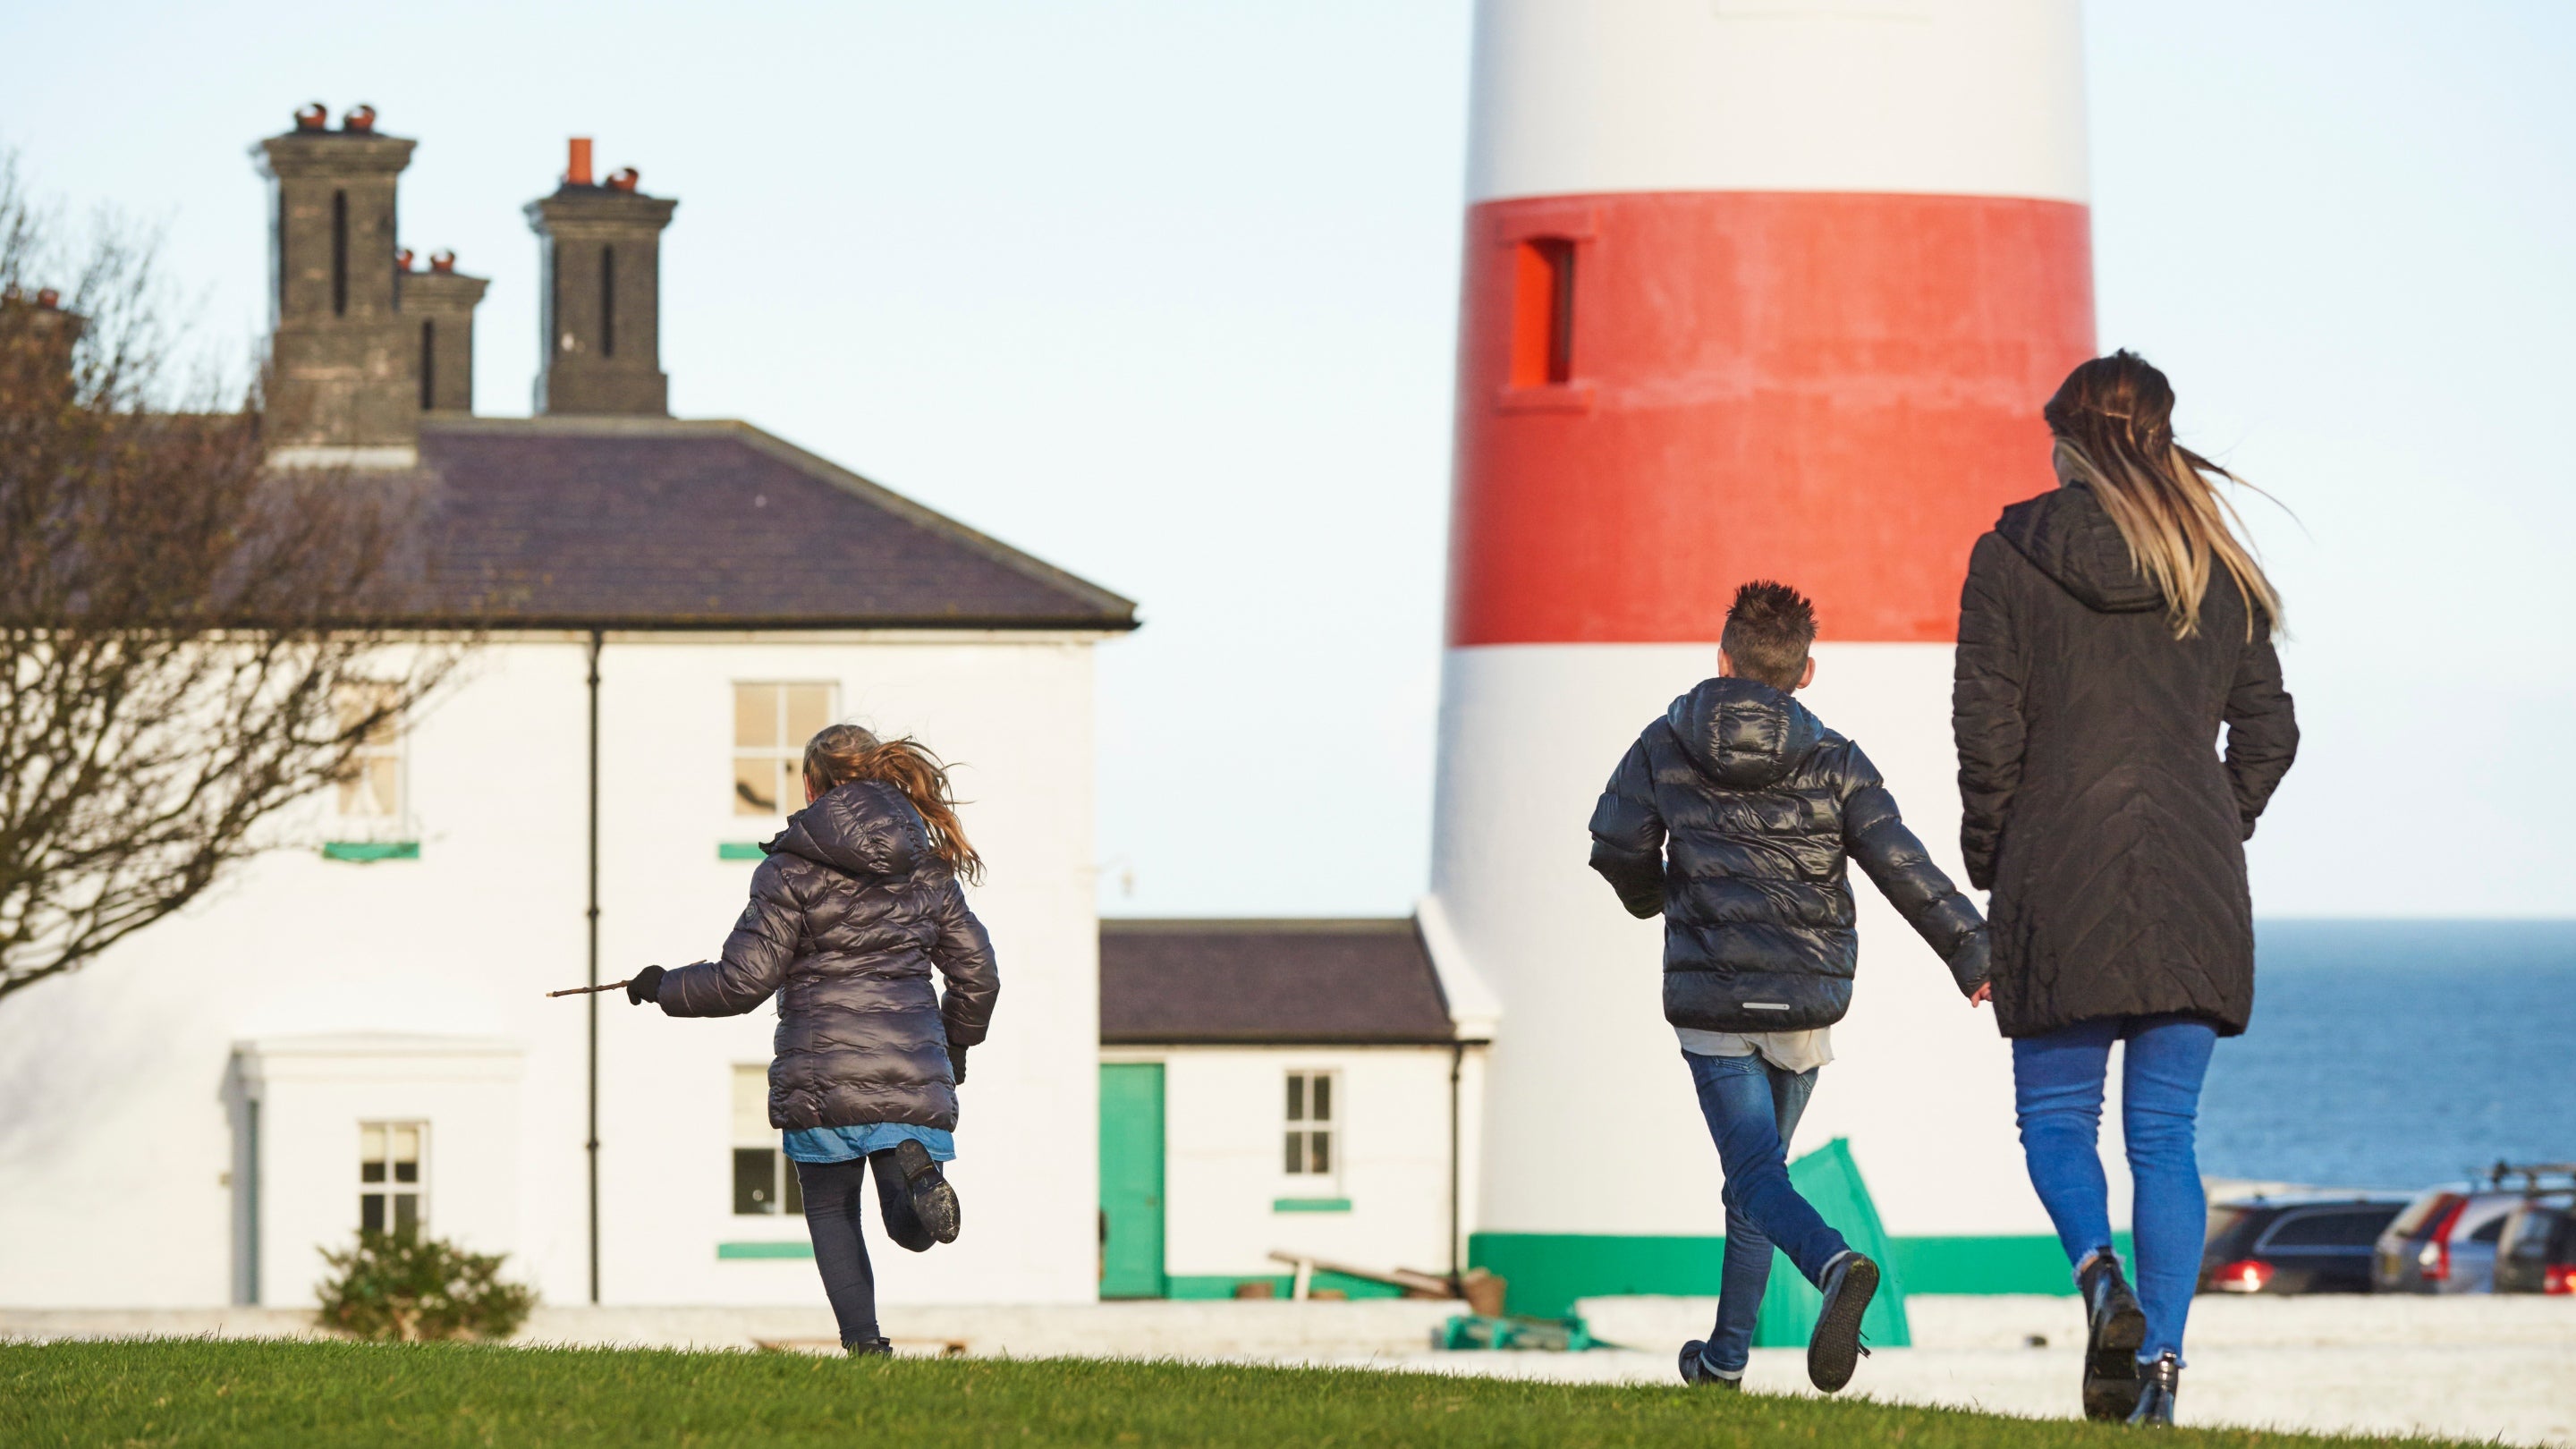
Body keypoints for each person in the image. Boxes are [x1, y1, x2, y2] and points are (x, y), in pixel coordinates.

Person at [1953, 351, 2297, 1427]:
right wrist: (2215, 818)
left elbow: (1986, 732)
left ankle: (2100, 1279)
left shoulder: (2007, 554)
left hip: (2056, 869)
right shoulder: (2219, 567)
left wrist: (1998, 861)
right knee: (2167, 1141)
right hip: (2194, 880)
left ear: (2067, 440)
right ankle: (2163, 1374)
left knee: (2057, 1119)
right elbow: (2271, 734)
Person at [1590, 580, 1991, 1396]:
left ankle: (1834, 1264)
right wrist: (1973, 950)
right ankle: (1724, 1361)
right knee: (1757, 1176)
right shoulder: (1837, 758)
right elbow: (1900, 864)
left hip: (1711, 1005)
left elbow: (1616, 841)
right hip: (1805, 1006)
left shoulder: (1663, 744)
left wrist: (1654, 899)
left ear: (1722, 657)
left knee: (1754, 1176)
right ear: (1807, 672)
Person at [628, 723, 999, 1357]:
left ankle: (866, 1348)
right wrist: (954, 1050)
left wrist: (662, 987)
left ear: (810, 783)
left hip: (821, 1074)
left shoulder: (790, 869)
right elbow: (978, 976)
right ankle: (916, 1178)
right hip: (913, 1070)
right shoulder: (929, 870)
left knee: (832, 1213)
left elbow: (741, 981)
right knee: (909, 1229)